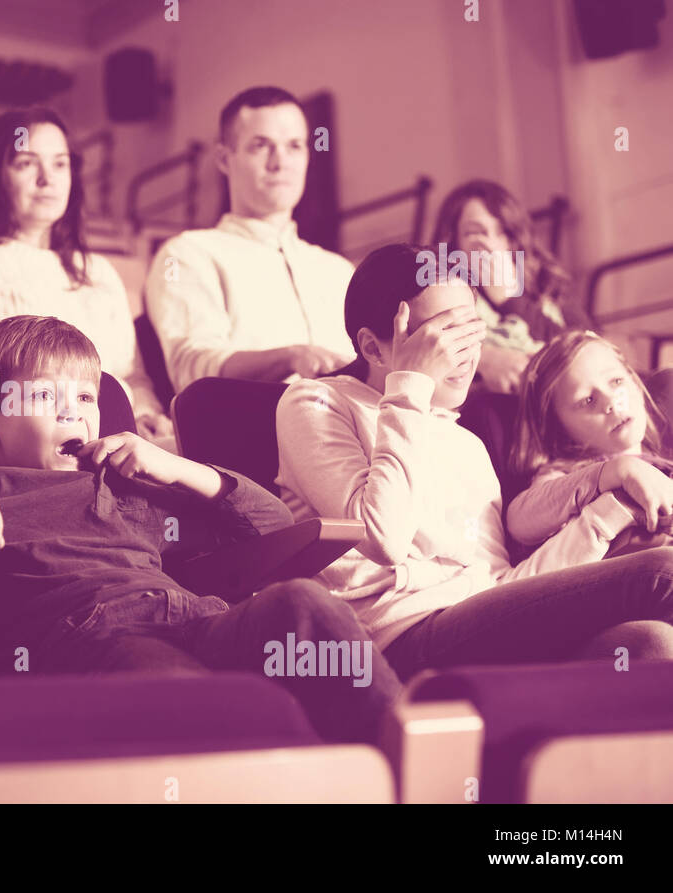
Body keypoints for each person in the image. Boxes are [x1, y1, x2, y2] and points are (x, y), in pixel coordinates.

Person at [0, 315, 403, 743]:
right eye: (45, 397)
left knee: (304, 605)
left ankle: (405, 752)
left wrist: (176, 467)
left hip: (197, 617)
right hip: (90, 642)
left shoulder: (125, 483)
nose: (75, 414)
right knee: (199, 703)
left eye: (85, 398)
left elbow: (273, 526)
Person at [275, 243, 673, 679]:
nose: (464, 354)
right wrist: (410, 387)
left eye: (471, 332)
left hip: (486, 621)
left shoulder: (466, 442)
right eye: (443, 336)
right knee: (660, 574)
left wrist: (611, 507)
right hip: (400, 634)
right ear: (373, 347)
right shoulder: (315, 401)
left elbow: (503, 585)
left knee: (651, 644)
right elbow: (382, 538)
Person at [0, 107, 171, 442]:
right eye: (27, 163)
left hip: (113, 448)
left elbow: (132, 377)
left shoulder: (100, 271)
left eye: (60, 163)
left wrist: (147, 413)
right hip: (11, 457)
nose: (48, 178)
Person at [145, 86, 356, 393]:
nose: (279, 162)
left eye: (294, 146)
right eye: (260, 145)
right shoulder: (186, 254)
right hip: (254, 432)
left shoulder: (339, 270)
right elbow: (192, 370)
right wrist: (291, 357)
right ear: (223, 159)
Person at [506, 330, 673, 552]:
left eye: (616, 381)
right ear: (558, 429)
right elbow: (520, 520)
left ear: (635, 383)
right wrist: (619, 470)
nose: (612, 401)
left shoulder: (663, 457)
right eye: (587, 400)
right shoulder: (568, 473)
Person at [430, 179, 588, 395]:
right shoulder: (439, 294)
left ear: (515, 238)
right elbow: (427, 354)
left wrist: (511, 299)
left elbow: (585, 349)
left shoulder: (546, 281)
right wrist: (484, 359)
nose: (491, 244)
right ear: (452, 242)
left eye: (502, 232)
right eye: (474, 233)